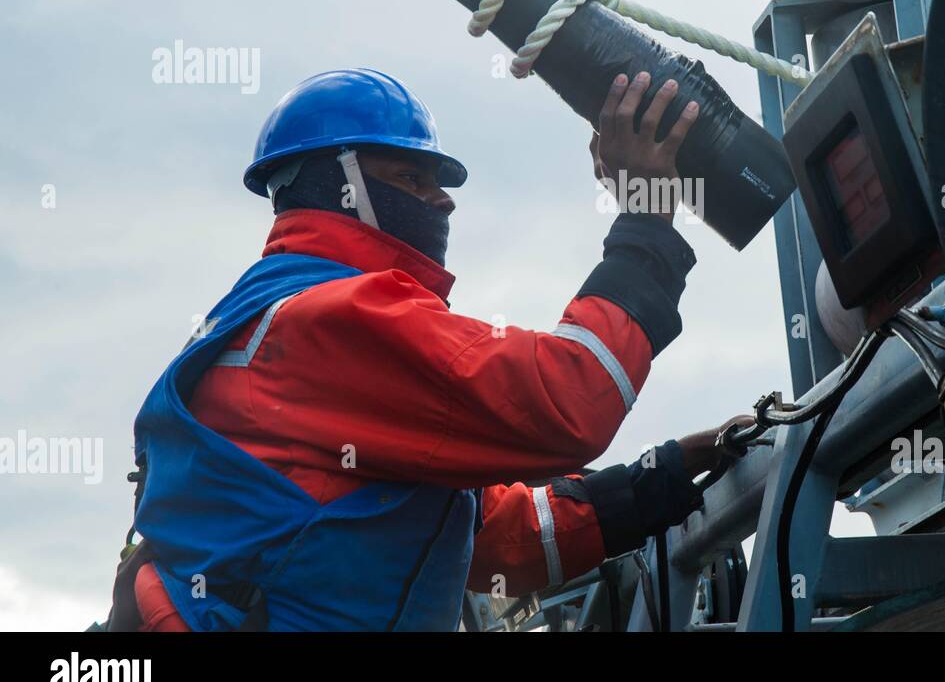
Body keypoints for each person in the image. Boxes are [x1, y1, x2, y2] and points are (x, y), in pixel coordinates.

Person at [102, 67, 742, 631]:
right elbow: (569, 399)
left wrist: (667, 474)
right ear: (338, 183)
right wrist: (647, 212)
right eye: (411, 176)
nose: (444, 201)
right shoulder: (333, 322)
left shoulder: (267, 319)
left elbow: (500, 541)